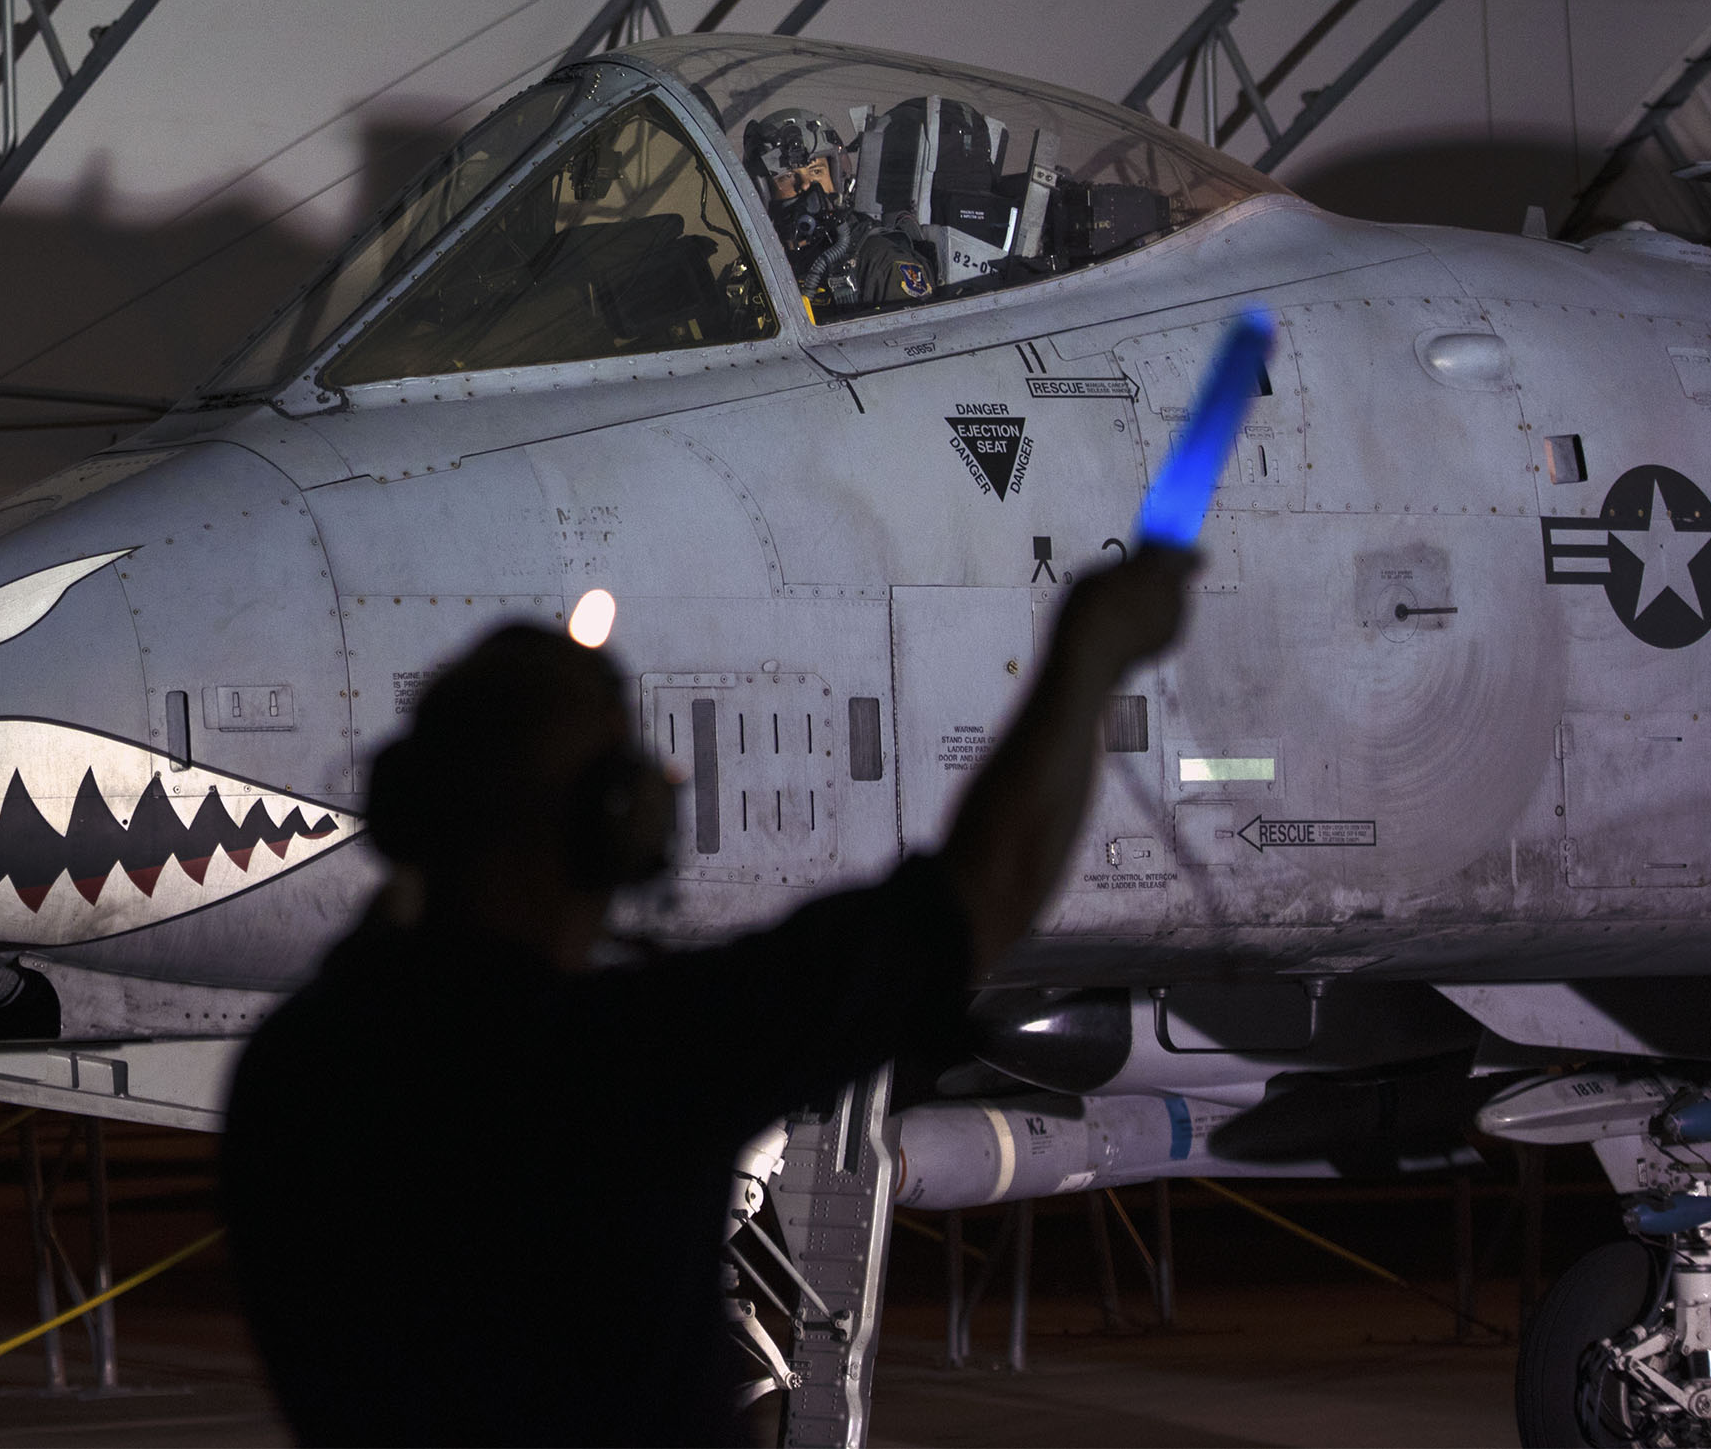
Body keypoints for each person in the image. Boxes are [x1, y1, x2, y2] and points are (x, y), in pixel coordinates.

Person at [220, 548, 1196, 1446]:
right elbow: (983, 893)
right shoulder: (631, 1057)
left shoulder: (293, 1070)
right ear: (613, 823)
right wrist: (1090, 654)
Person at [739, 107, 938, 315]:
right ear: (762, 192)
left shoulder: (880, 262)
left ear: (836, 178)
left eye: (816, 171)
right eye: (787, 176)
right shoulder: (757, 266)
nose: (806, 186)